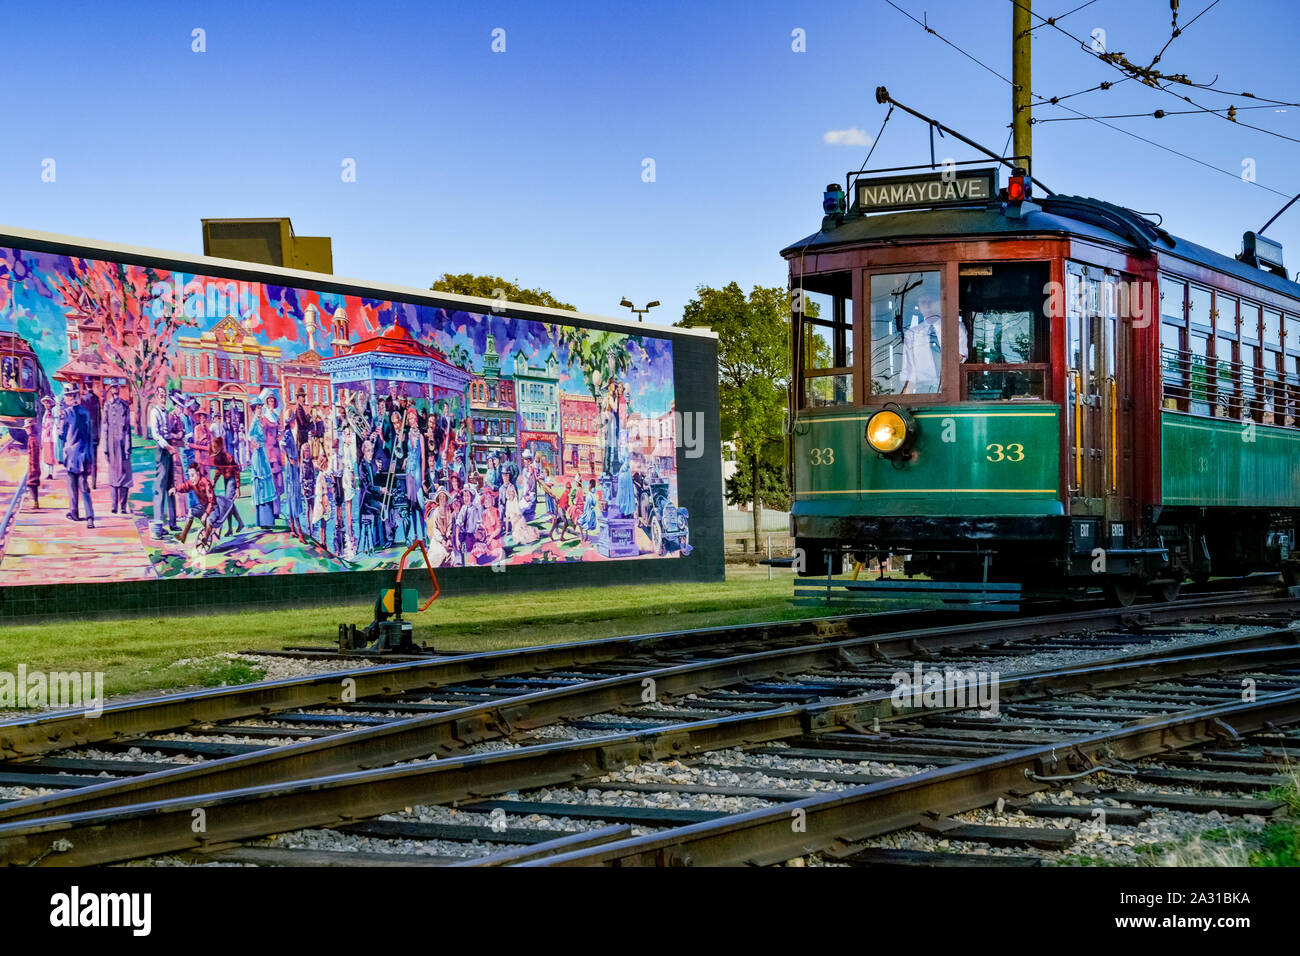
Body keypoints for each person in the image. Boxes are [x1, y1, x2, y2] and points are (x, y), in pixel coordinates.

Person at [899, 292, 968, 394]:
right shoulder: (912, 334)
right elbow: (909, 370)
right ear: (919, 307)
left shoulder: (956, 327)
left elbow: (960, 356)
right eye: (923, 303)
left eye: (930, 302)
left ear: (938, 304)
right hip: (923, 391)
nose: (927, 306)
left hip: (951, 390)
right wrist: (904, 397)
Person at [60, 384, 96, 528]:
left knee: (72, 486)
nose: (68, 398)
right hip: (83, 455)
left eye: (68, 395)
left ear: (70, 397)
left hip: (70, 455)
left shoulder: (66, 413)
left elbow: (61, 434)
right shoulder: (85, 413)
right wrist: (91, 459)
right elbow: (89, 436)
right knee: (84, 487)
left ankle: (74, 513)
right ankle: (89, 517)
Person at [148, 385, 178, 531]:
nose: (163, 398)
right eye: (161, 395)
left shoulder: (166, 413)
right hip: (162, 449)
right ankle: (158, 525)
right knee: (160, 486)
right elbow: (156, 435)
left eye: (165, 396)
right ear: (155, 397)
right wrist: (168, 446)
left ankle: (173, 523)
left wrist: (176, 438)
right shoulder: (154, 412)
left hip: (170, 448)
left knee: (171, 485)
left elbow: (168, 432)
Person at [104, 383, 133, 514]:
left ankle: (123, 505)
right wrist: (105, 447)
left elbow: (127, 428)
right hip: (112, 445)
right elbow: (105, 426)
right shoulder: (107, 406)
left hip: (123, 444)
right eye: (113, 388)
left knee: (125, 477)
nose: (115, 390)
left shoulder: (125, 406)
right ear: (110, 390)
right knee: (113, 476)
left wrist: (128, 447)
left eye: (117, 387)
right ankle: (114, 505)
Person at [80, 381, 101, 489]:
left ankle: (85, 482)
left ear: (85, 386)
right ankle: (94, 483)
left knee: (85, 459)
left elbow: (82, 418)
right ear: (92, 386)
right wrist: (99, 434)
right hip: (94, 433)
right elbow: (98, 418)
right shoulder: (96, 399)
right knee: (94, 460)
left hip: (85, 433)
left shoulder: (83, 399)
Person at [39, 395, 56, 479]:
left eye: (47, 403)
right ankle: (48, 473)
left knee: (49, 455)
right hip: (45, 436)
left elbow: (50, 424)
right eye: (45, 403)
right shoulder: (46, 412)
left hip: (49, 436)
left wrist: (46, 430)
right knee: (46, 455)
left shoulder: (50, 413)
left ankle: (50, 473)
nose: (46, 405)